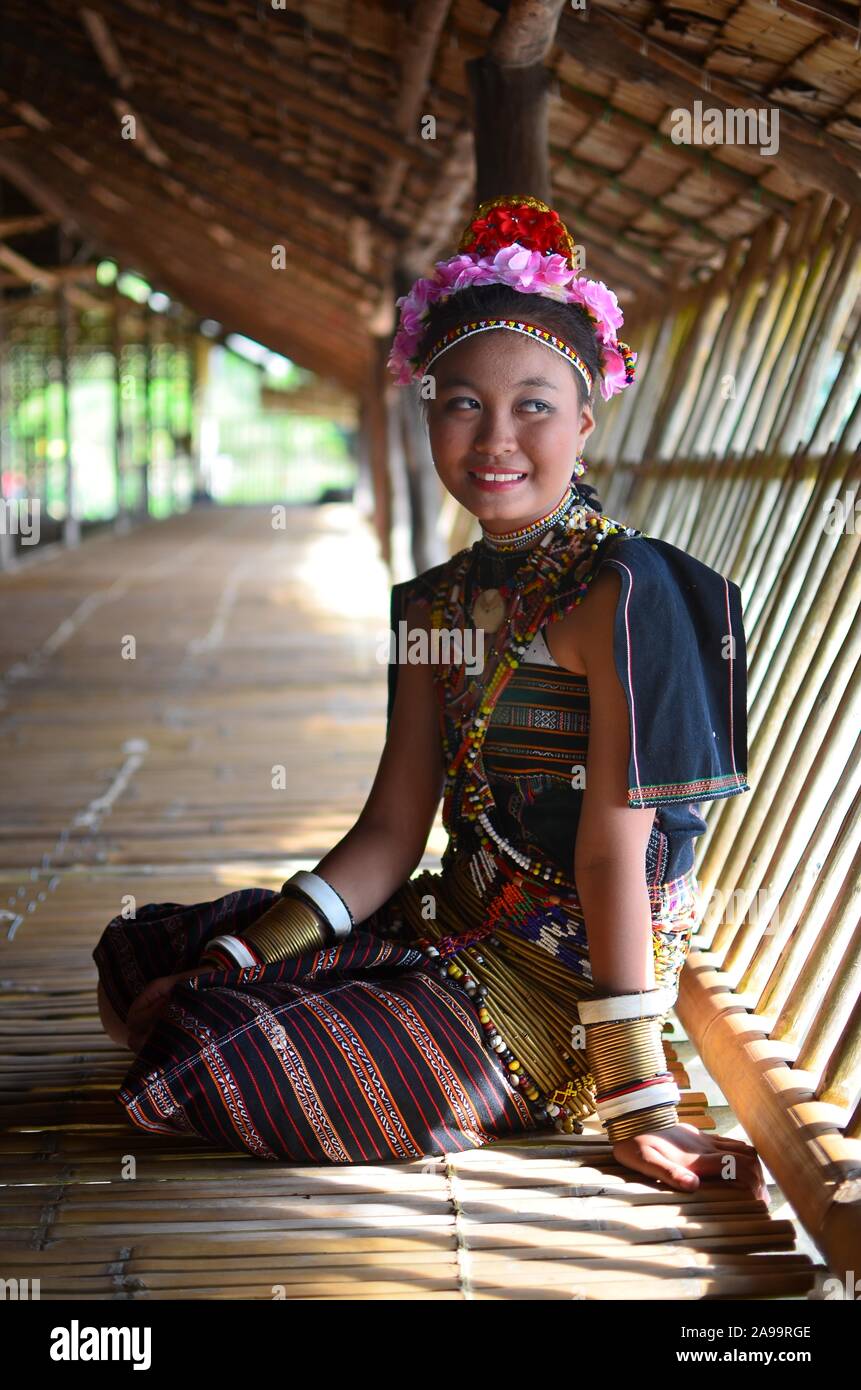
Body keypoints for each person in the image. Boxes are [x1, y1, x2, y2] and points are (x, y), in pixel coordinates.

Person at [95, 195, 767, 1201]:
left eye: (534, 404)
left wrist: (641, 1101)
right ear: (429, 413)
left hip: (552, 994)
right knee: (145, 953)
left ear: (586, 417)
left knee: (193, 1054)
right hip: (441, 925)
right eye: (462, 402)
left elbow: (612, 851)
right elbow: (390, 830)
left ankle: (524, 1081)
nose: (496, 437)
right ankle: (304, 989)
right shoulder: (437, 604)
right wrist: (242, 954)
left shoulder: (627, 594)